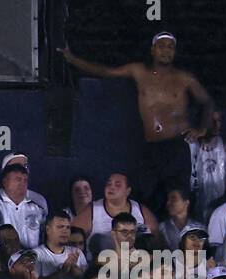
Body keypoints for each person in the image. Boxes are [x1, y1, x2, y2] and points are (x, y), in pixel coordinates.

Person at [61, 32, 215, 205]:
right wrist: (73, 60)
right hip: (150, 147)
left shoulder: (184, 78)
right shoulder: (139, 71)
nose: (166, 51)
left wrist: (202, 128)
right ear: (153, 50)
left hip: (176, 146)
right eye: (161, 46)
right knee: (147, 199)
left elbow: (207, 102)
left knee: (178, 200)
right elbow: (106, 71)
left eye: (170, 47)